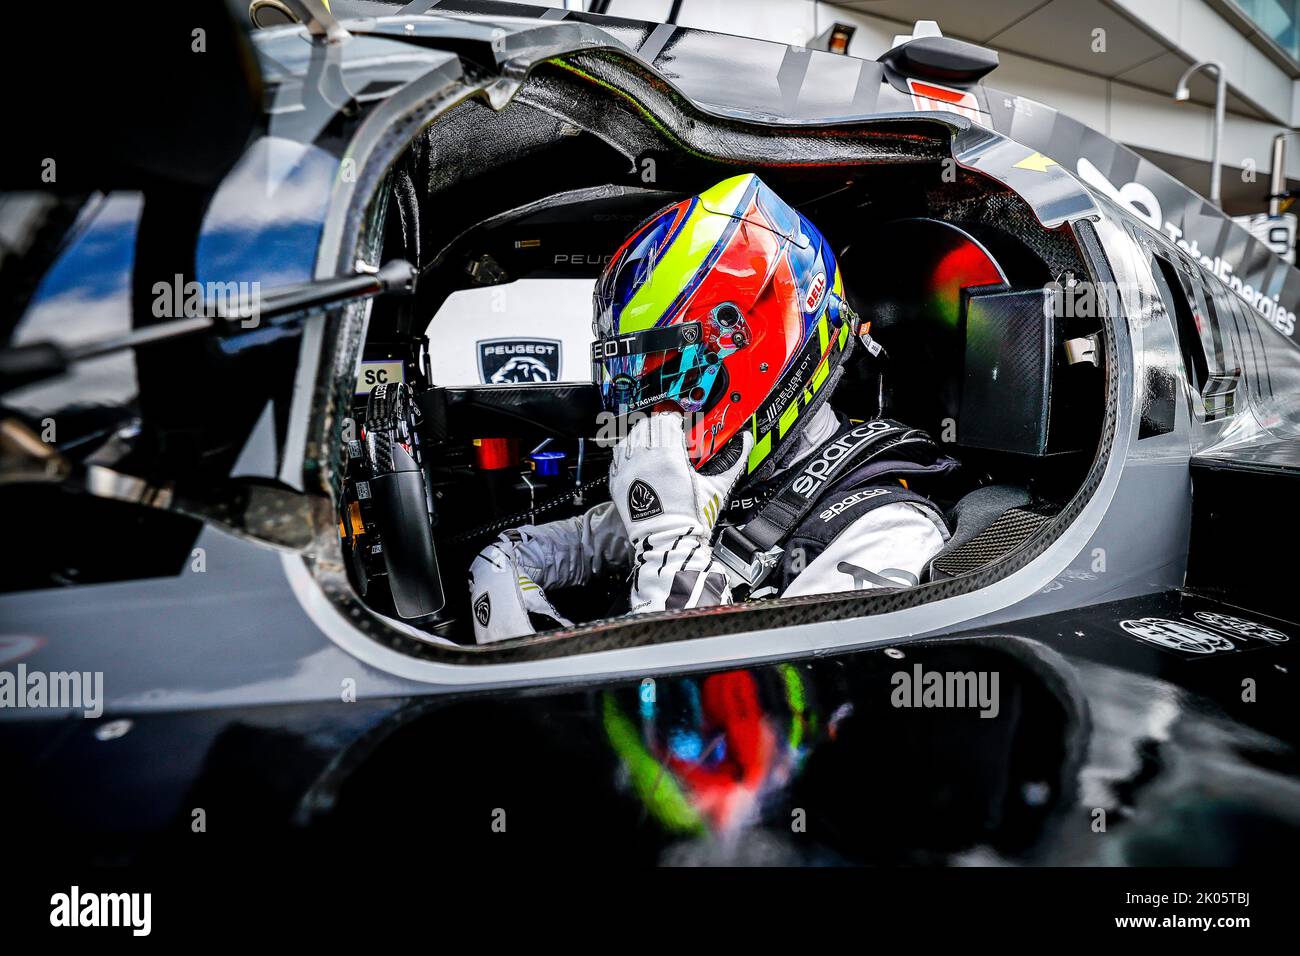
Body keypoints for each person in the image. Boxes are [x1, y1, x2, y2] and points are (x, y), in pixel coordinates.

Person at [468, 174, 956, 643]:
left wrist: (670, 540)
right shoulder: (722, 481)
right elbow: (520, 555)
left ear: (759, 354)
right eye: (637, 384)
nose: (652, 414)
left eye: (672, 378)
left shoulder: (887, 533)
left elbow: (695, 707)